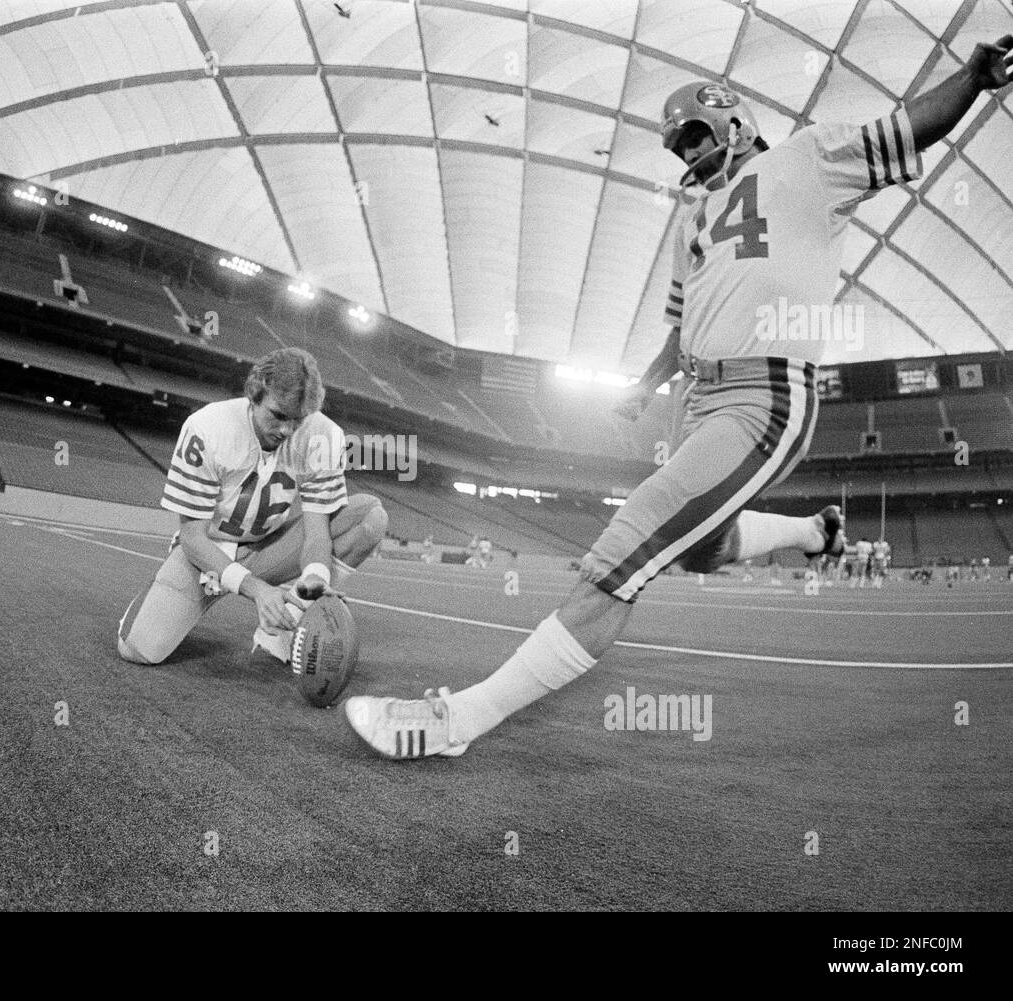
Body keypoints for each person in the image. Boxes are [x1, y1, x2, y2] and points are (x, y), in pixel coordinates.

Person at [345, 37, 1013, 759]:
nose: (686, 152)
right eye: (677, 144)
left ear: (732, 120)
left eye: (694, 133)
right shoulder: (690, 216)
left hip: (765, 393)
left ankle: (457, 723)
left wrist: (971, 81)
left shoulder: (806, 158)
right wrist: (642, 389)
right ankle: (813, 534)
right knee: (702, 547)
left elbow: (906, 128)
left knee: (623, 548)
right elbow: (679, 325)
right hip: (697, 397)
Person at [117, 348, 387, 669]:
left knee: (371, 517)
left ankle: (283, 624)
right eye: (278, 415)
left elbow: (317, 533)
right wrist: (257, 590)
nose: (287, 430)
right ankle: (160, 604)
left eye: (298, 420)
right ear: (254, 395)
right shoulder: (208, 427)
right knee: (138, 650)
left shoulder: (324, 436)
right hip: (207, 556)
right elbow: (192, 537)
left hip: (272, 546)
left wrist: (315, 577)